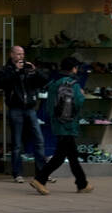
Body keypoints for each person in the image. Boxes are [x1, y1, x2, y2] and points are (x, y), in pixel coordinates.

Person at [29, 57, 93, 195]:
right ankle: (40, 179)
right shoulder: (73, 84)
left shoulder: (54, 83)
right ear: (73, 68)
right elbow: (79, 102)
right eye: (76, 67)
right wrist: (82, 94)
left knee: (72, 156)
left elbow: (50, 105)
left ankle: (82, 183)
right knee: (59, 157)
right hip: (68, 125)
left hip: (57, 123)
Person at [0, 44, 47, 182]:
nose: (21, 57)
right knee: (17, 143)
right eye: (18, 54)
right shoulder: (6, 69)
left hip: (30, 108)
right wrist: (16, 72)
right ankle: (17, 173)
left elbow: (44, 80)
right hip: (15, 108)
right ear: (11, 55)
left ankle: (42, 172)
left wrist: (35, 71)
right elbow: (3, 83)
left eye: (23, 54)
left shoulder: (28, 70)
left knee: (39, 140)